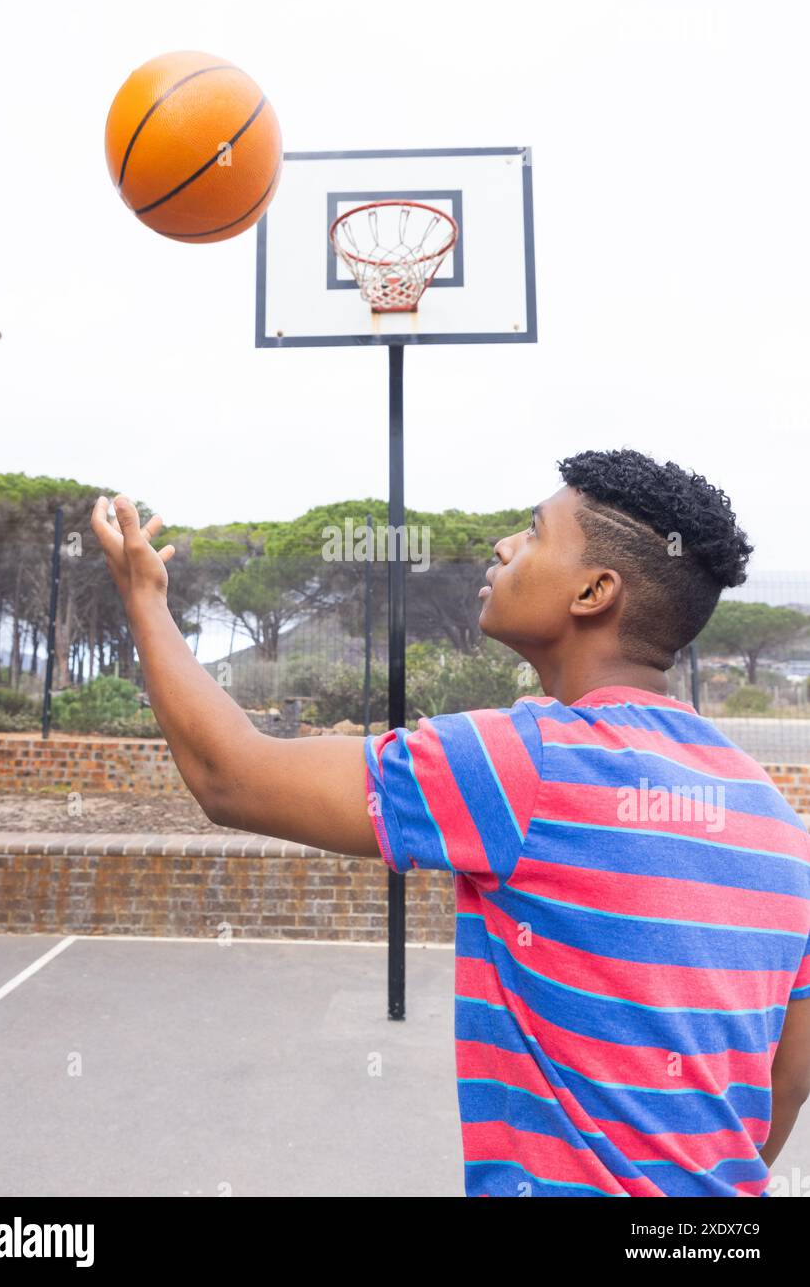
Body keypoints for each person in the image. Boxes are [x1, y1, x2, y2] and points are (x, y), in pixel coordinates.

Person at [91, 447, 810, 1198]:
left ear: (594, 591)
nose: (502, 547)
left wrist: (144, 599)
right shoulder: (775, 820)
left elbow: (230, 777)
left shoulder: (524, 762)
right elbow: (785, 1084)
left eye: (532, 534)